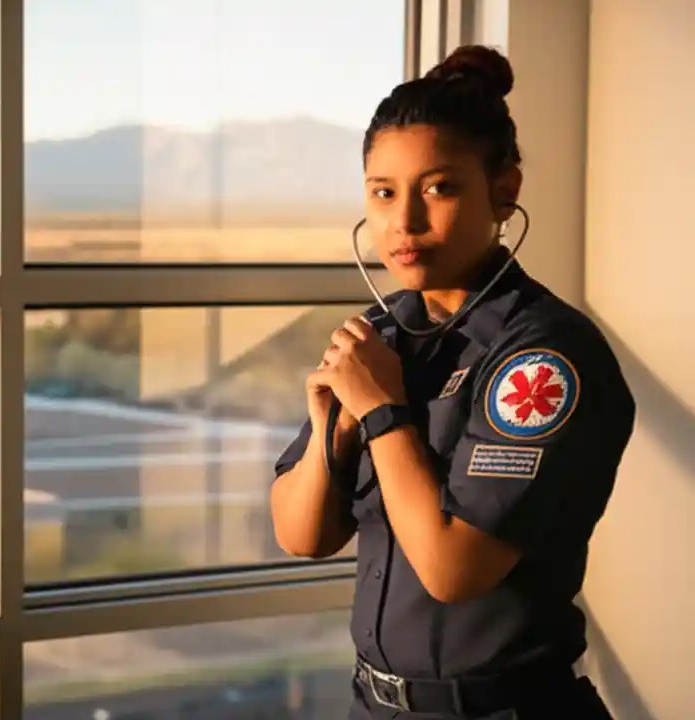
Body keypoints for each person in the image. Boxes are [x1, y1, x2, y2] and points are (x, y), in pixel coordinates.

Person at [269, 45, 633, 719]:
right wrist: (333, 426)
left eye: (438, 187)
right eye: (383, 192)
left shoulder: (543, 358)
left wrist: (381, 412)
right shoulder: (385, 335)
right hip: (371, 705)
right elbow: (301, 534)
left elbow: (455, 569)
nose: (403, 222)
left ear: (505, 192)